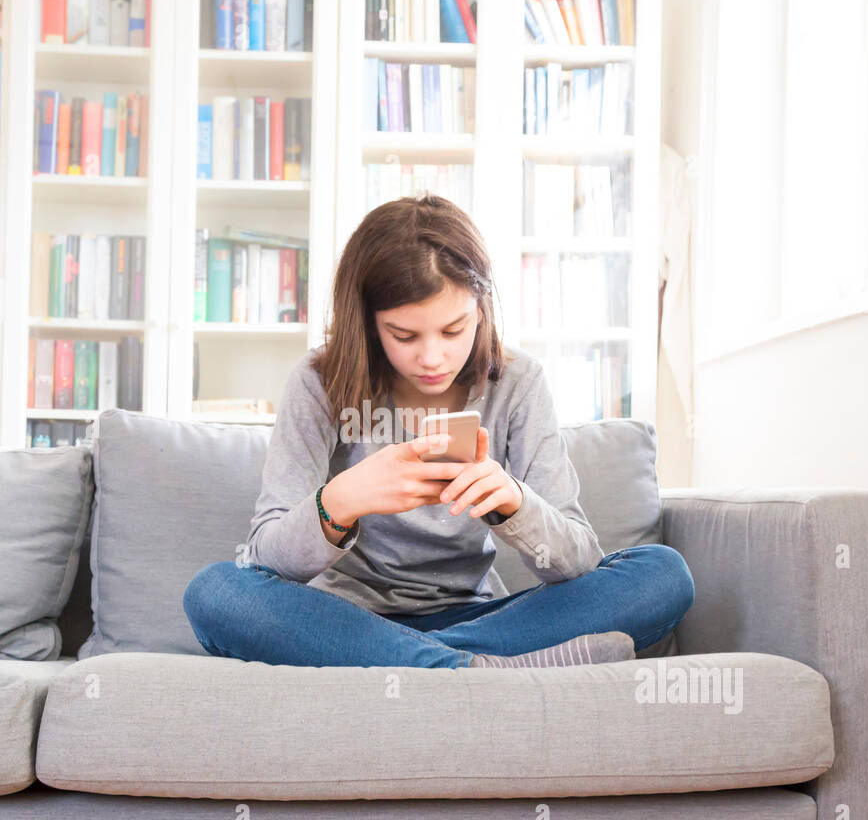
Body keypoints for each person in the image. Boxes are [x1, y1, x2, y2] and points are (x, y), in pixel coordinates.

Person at [183, 194, 694, 668]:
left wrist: (516, 505)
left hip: (483, 620)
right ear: (366, 323)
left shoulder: (518, 382)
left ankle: (430, 665)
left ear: (481, 309)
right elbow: (265, 560)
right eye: (403, 335)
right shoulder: (320, 382)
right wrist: (340, 500)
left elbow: (580, 562)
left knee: (662, 575)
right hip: (346, 622)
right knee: (215, 593)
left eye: (454, 330)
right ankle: (469, 670)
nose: (432, 358)